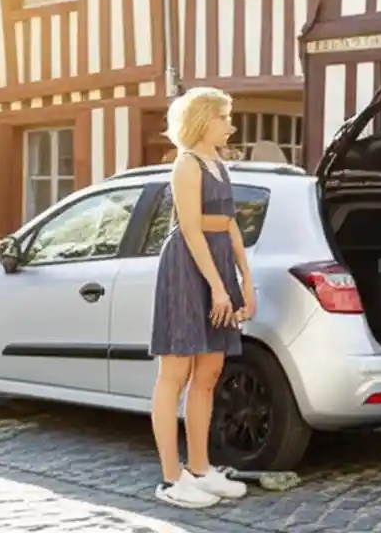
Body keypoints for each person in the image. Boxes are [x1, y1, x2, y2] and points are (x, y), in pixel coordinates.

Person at [149, 87, 257, 508]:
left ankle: (199, 468)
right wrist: (215, 285)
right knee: (174, 374)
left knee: (209, 373)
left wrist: (244, 280)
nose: (230, 126)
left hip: (217, 266)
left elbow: (229, 225)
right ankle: (171, 479)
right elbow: (191, 231)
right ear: (203, 120)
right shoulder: (186, 165)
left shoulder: (218, 163)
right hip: (186, 268)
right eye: (224, 118)